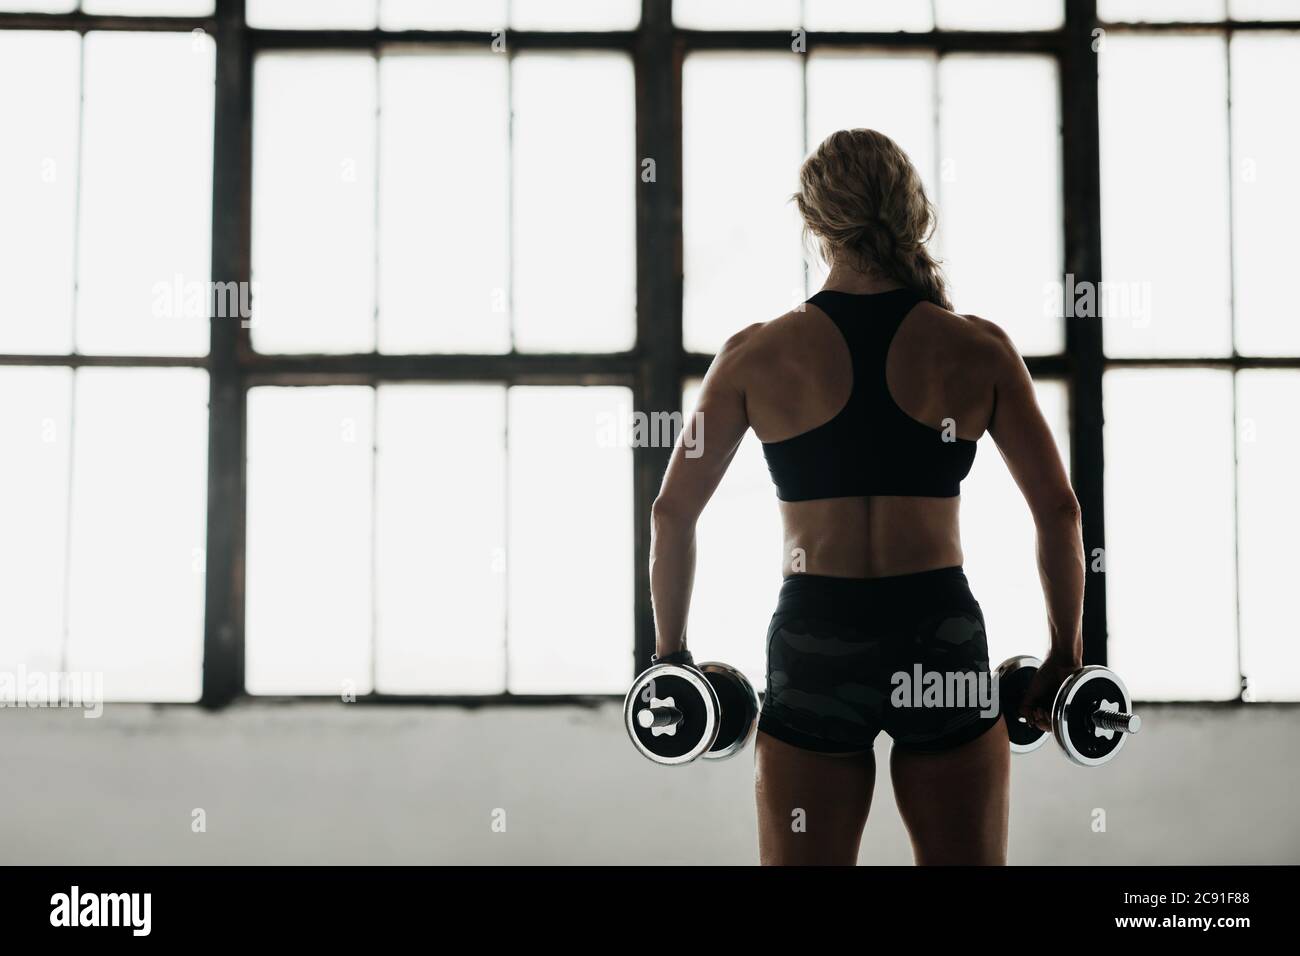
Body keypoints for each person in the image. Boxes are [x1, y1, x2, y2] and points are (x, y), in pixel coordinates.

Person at [648, 129, 1084, 865]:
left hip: (816, 641)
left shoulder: (756, 354)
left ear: (814, 222)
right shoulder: (977, 348)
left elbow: (672, 512)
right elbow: (1059, 512)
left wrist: (671, 658)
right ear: (913, 213)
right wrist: (1064, 654)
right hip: (937, 635)